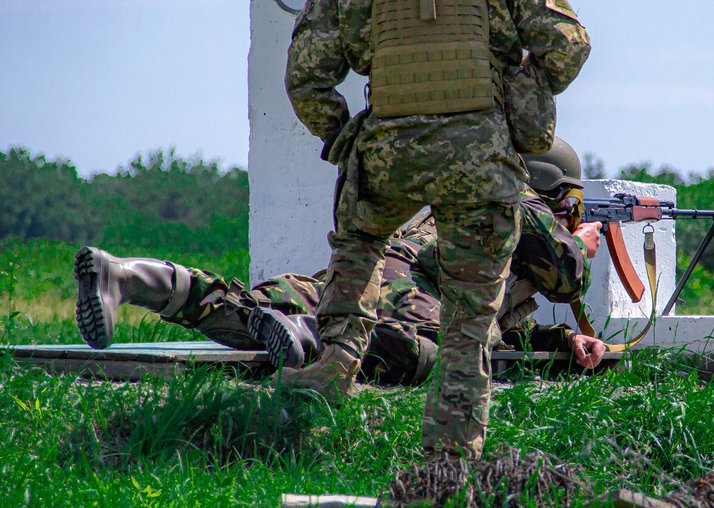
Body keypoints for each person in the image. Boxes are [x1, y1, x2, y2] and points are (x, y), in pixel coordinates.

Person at [284, 0, 589, 458]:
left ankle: (335, 360)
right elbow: (570, 44)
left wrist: (344, 137)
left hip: (389, 153)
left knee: (360, 239)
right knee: (470, 321)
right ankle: (449, 455)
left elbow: (305, 77)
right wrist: (522, 102)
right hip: (479, 161)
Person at [73, 141, 604, 383]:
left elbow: (498, 326)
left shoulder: (470, 205)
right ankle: (309, 333)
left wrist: (562, 342)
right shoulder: (519, 204)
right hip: (411, 301)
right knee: (430, 359)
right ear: (553, 191)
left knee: (246, 309)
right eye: (571, 205)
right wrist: (582, 240)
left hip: (362, 274)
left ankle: (128, 278)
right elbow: (566, 273)